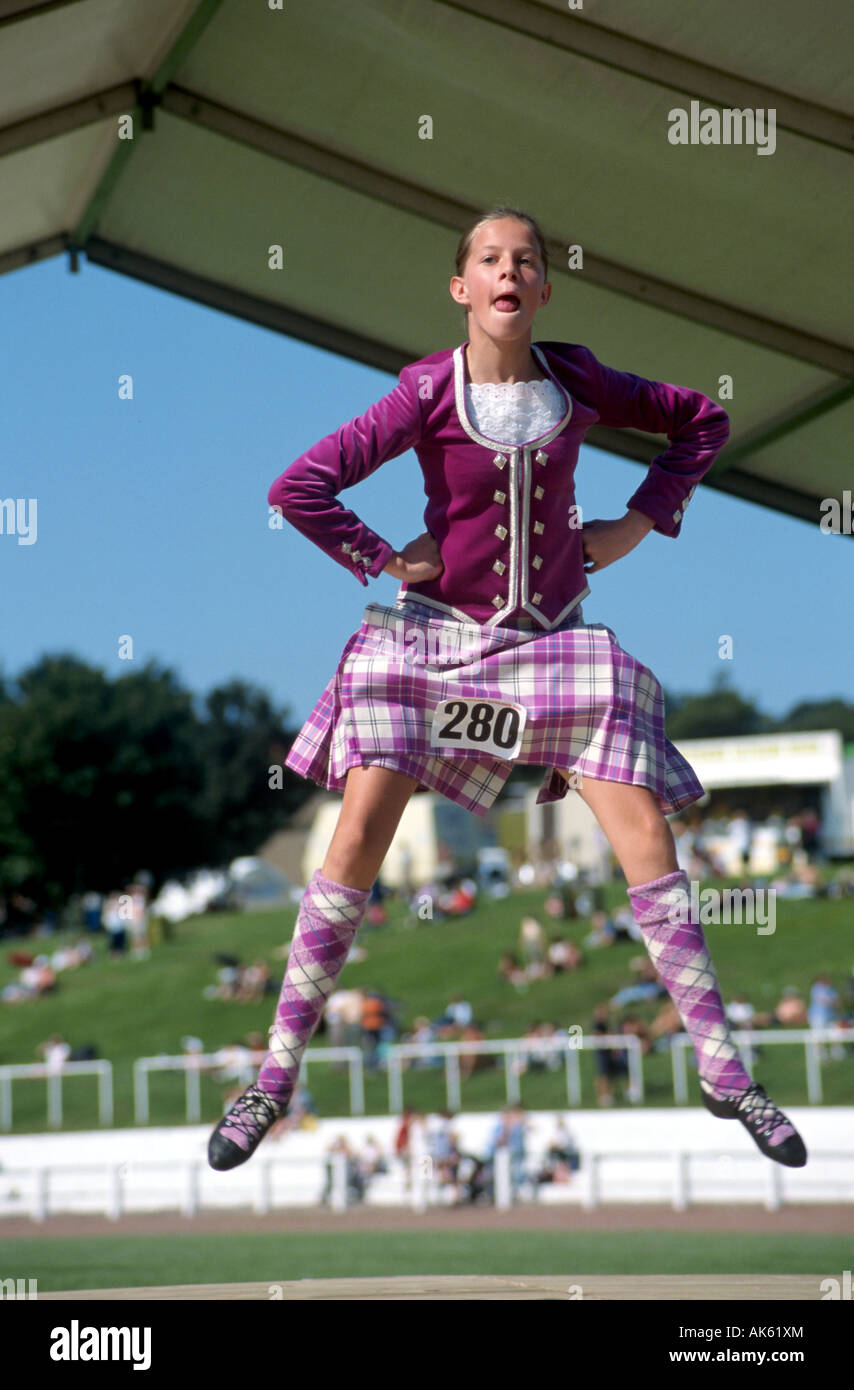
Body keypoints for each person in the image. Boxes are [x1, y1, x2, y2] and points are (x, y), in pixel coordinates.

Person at [207, 205, 806, 1173]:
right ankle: (273, 1074)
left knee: (643, 828)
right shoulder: (422, 392)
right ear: (460, 287)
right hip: (436, 641)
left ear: (543, 287)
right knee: (357, 827)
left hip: (553, 647)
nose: (506, 271)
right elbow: (297, 486)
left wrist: (638, 520)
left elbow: (702, 419)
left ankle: (722, 1066)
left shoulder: (576, 379)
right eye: (487, 259)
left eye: (524, 260)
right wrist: (379, 557)